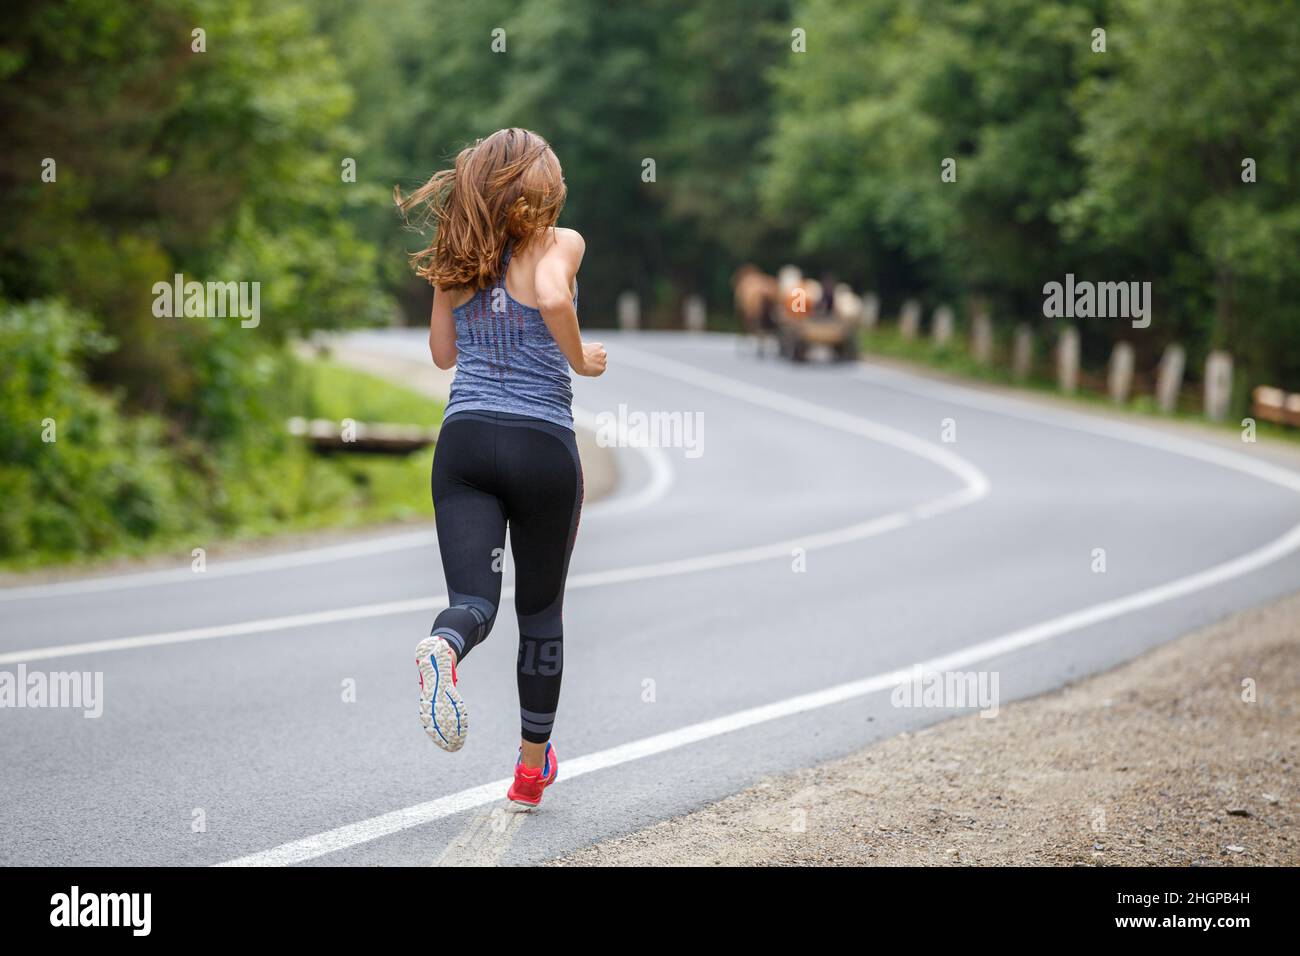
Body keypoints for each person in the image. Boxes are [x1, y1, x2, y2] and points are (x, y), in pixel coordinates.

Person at [395, 128, 607, 808]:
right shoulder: (560, 242)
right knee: (540, 613)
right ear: (543, 193)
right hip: (541, 448)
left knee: (475, 604)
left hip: (464, 448)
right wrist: (580, 359)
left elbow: (441, 355)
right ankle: (529, 769)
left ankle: (444, 647)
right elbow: (550, 296)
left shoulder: (455, 261)